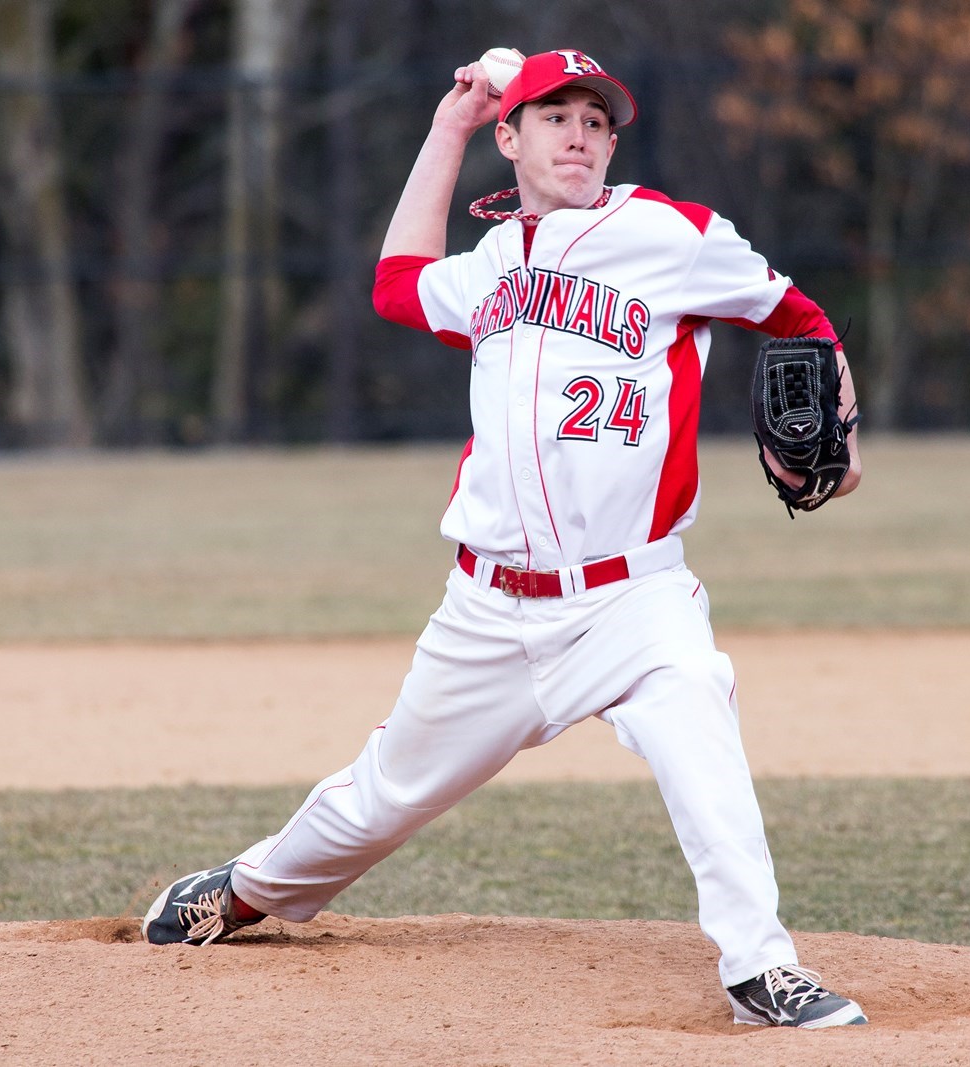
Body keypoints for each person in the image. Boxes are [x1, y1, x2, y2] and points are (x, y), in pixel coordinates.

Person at [144, 48, 866, 1030]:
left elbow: (799, 316)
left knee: (697, 711)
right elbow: (397, 284)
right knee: (380, 799)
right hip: (487, 608)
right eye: (555, 115)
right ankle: (250, 888)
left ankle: (761, 968)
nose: (579, 134)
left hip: (632, 598)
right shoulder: (493, 264)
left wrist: (842, 432)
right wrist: (446, 125)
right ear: (510, 139)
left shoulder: (673, 234)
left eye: (596, 120)